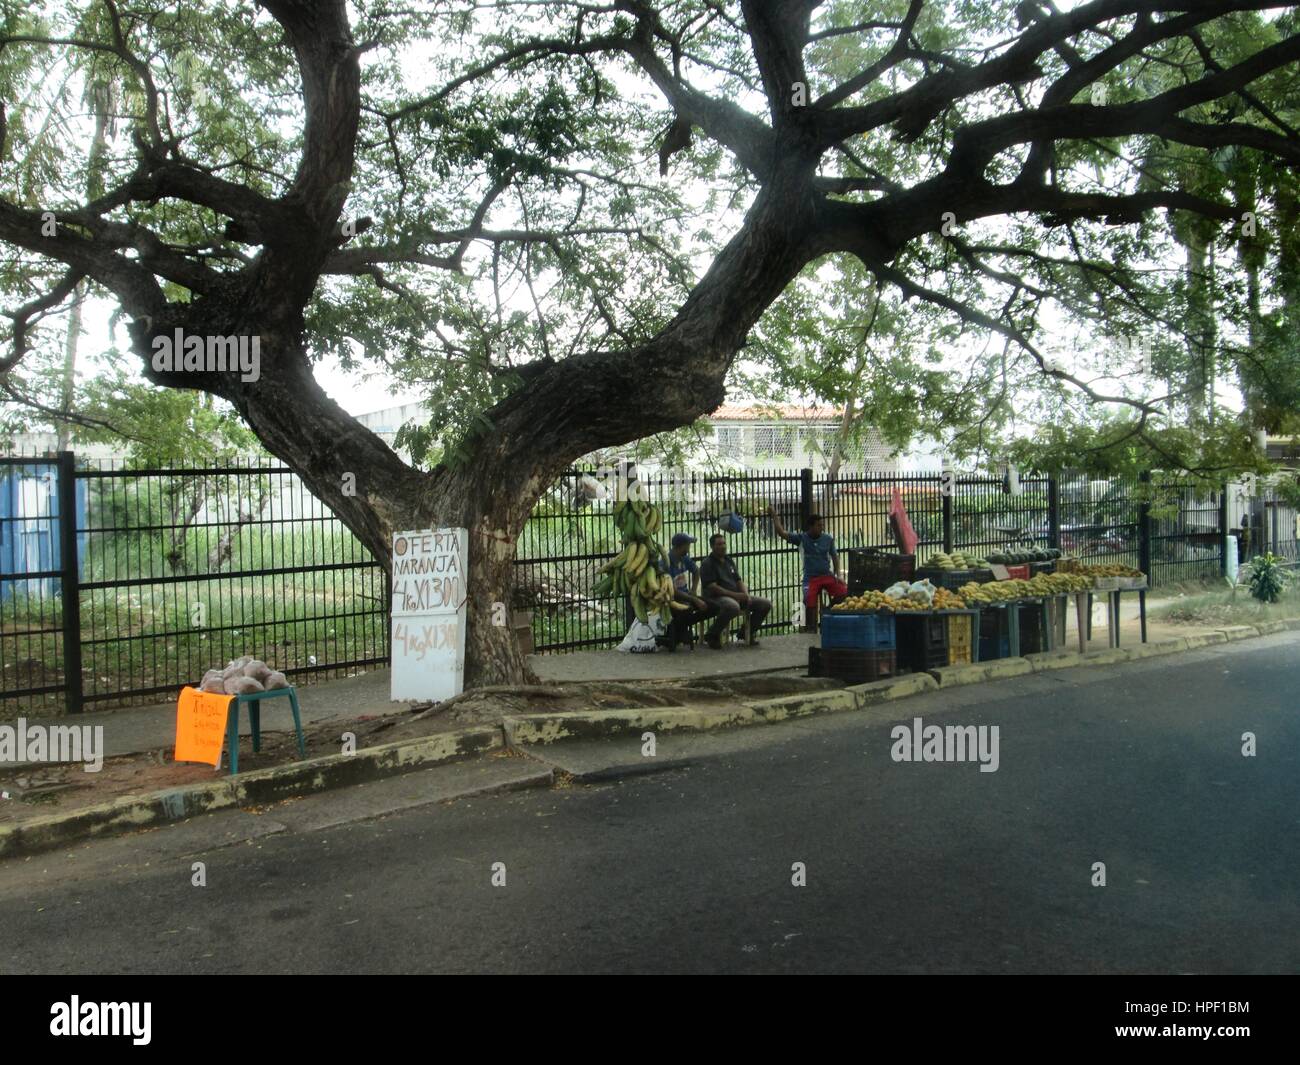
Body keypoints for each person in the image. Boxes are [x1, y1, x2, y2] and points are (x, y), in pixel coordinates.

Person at [769, 505, 848, 618]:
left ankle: (828, 612)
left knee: (843, 592)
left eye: (822, 525)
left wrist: (838, 575)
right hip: (811, 578)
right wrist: (774, 515)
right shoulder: (801, 538)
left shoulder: (828, 539)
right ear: (810, 527)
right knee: (809, 600)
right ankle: (809, 627)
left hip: (826, 575)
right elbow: (781, 532)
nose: (822, 528)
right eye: (819, 525)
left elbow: (835, 557)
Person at [699, 533, 772, 648]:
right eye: (719, 544)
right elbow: (714, 588)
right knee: (733, 607)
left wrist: (746, 595)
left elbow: (738, 580)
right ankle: (712, 635)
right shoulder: (707, 563)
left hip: (734, 595)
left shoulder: (728, 560)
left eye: (724, 543)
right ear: (712, 547)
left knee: (765, 604)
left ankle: (746, 633)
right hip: (715, 598)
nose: (723, 546)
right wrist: (737, 596)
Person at [658, 532, 717, 650]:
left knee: (714, 607)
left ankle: (681, 630)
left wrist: (694, 590)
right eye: (688, 545)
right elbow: (672, 591)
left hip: (686, 596)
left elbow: (696, 571)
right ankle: (680, 632)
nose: (689, 548)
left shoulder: (684, 558)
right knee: (686, 609)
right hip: (672, 598)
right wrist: (694, 599)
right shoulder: (666, 563)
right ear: (681, 546)